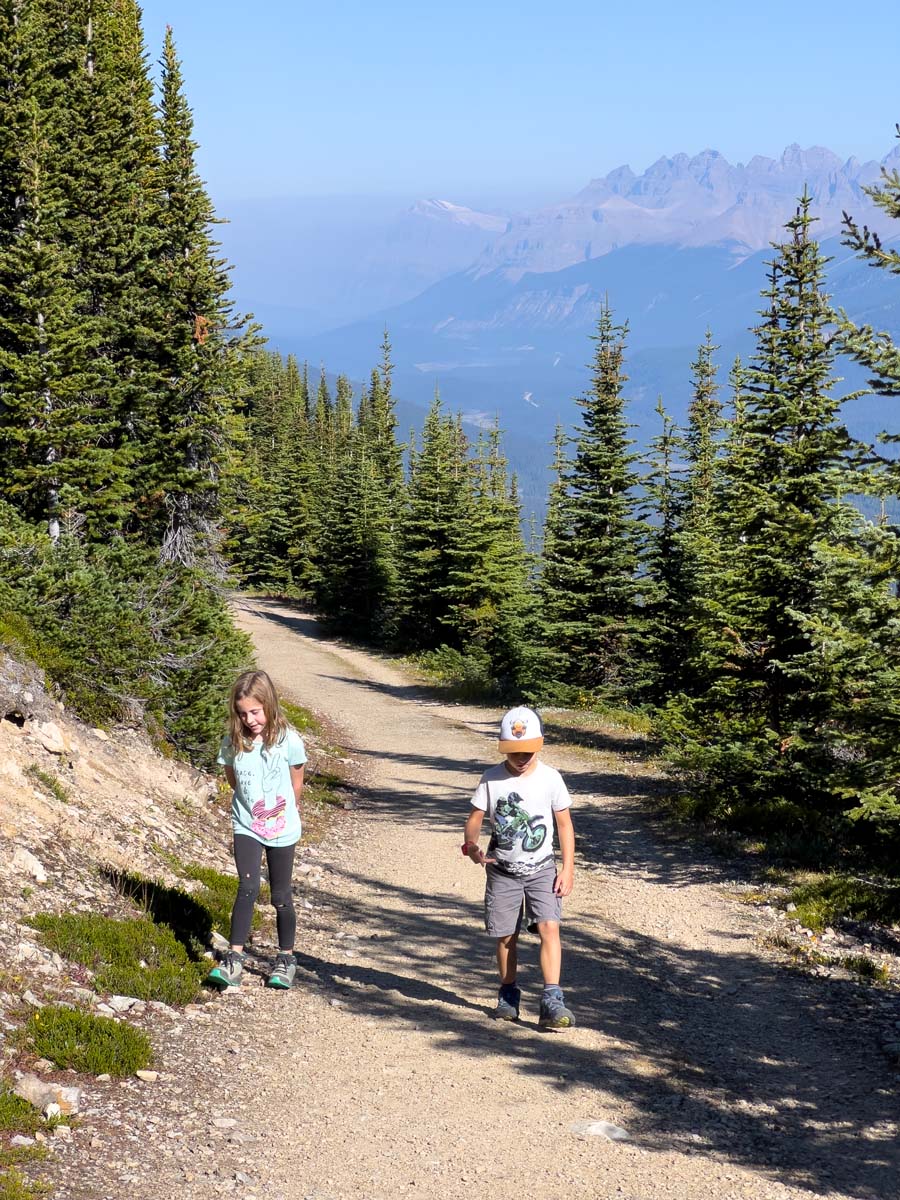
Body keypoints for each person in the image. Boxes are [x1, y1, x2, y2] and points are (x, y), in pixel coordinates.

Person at [462, 705, 575, 1028]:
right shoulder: (491, 778)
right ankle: (508, 992)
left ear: (539, 746)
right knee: (506, 935)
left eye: (527, 751)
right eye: (514, 752)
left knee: (549, 926)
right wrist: (471, 846)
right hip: (503, 870)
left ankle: (552, 999)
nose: (521, 758)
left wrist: (567, 868)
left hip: (542, 868)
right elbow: (474, 819)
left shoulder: (551, 778)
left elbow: (564, 825)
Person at [206, 670, 306, 991]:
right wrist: (251, 807)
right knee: (247, 886)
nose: (250, 720)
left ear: (269, 704)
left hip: (282, 826)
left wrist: (285, 811)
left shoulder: (289, 739)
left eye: (255, 711)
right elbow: (232, 779)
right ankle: (234, 958)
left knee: (280, 894)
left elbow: (297, 781)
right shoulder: (233, 743)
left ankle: (286, 957)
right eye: (242, 713)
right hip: (247, 823)